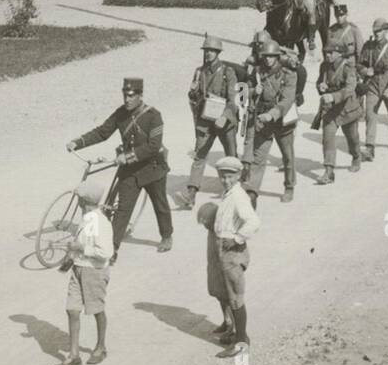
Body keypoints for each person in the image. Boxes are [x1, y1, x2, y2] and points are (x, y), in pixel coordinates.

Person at [67, 77, 172, 256]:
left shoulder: (154, 116)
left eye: (131, 95)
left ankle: (166, 236)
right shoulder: (121, 114)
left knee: (160, 203)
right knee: (123, 208)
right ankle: (111, 249)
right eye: (125, 95)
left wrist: (129, 155)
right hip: (130, 170)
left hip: (152, 168)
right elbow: (102, 132)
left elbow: (154, 146)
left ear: (140, 95)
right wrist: (78, 142)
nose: (127, 99)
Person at [51, 179, 113, 365]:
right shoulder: (87, 218)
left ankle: (101, 347)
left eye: (79, 198)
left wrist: (80, 247)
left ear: (84, 201)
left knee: (96, 309)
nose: (77, 201)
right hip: (78, 268)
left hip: (94, 271)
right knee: (72, 310)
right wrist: (72, 253)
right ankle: (74, 356)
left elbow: (106, 252)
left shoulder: (99, 222)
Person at [183, 36, 240, 210]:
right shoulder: (199, 72)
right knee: (200, 155)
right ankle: (191, 192)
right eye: (206, 51)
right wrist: (192, 92)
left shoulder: (227, 72)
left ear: (218, 53)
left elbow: (233, 100)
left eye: (212, 51)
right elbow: (194, 98)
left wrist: (225, 116)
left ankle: (234, 190)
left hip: (224, 121)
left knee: (231, 157)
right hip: (205, 120)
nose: (208, 54)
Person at [211, 156, 260, 359]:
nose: (226, 180)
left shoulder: (239, 196)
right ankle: (237, 336)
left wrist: (238, 238)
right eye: (222, 176)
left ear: (238, 175)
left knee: (236, 298)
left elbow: (253, 221)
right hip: (224, 249)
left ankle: (242, 343)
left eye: (230, 176)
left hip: (232, 251)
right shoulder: (229, 194)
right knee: (230, 294)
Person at [244, 41, 298, 205]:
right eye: (265, 56)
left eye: (271, 57)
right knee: (258, 158)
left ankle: (289, 186)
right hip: (263, 120)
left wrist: (272, 114)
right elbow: (245, 90)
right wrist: (254, 91)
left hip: (283, 121)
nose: (268, 60)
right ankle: (252, 192)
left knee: (287, 157)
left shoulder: (289, 74)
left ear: (277, 57)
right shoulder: (259, 72)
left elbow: (287, 100)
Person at [357, 18, 388, 159]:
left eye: (380, 31)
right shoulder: (368, 46)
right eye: (375, 31)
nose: (377, 33)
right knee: (370, 115)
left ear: (386, 31)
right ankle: (370, 148)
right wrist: (365, 71)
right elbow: (359, 65)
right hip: (373, 85)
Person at [316, 43, 362, 184]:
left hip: (347, 109)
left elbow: (349, 89)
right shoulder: (324, 66)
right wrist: (321, 87)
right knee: (327, 138)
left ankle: (356, 156)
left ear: (339, 54)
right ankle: (329, 171)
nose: (327, 55)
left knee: (352, 137)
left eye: (330, 52)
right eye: (326, 52)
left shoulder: (348, 68)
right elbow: (319, 82)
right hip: (331, 110)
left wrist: (334, 96)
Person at [196, 203, 235, 344]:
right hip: (214, 267)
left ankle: (233, 329)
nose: (205, 227)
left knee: (229, 298)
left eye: (206, 224)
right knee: (219, 295)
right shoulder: (211, 231)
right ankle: (227, 320)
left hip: (225, 269)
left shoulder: (223, 231)